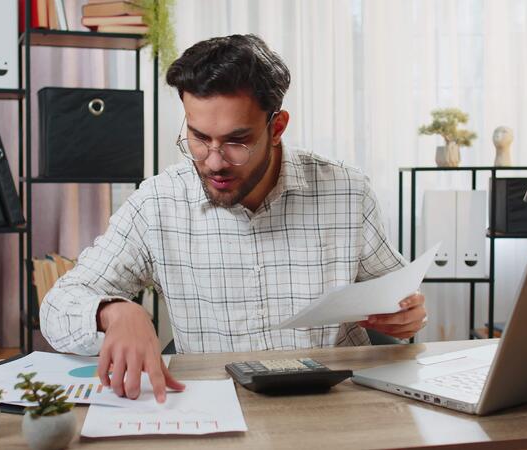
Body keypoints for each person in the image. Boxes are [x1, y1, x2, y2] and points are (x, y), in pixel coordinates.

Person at [40, 34, 426, 403]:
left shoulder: (348, 191)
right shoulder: (157, 204)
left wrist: (407, 315)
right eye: (198, 137)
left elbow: (398, 299)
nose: (213, 161)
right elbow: (58, 307)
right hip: (218, 407)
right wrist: (114, 311)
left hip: (338, 407)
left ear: (276, 128)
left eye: (236, 141)